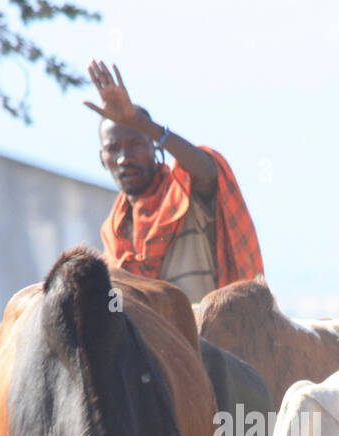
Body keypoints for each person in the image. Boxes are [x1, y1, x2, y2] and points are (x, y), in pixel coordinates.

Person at [84, 60, 263, 303]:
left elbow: (209, 171)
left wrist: (144, 125)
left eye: (136, 144)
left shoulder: (185, 196)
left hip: (204, 338)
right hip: (147, 341)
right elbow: (118, 308)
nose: (124, 158)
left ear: (155, 148)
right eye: (113, 149)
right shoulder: (114, 232)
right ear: (103, 159)